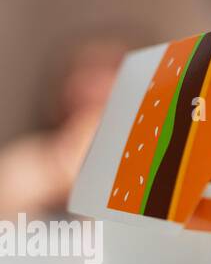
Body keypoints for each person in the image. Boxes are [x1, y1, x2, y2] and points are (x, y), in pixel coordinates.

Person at [0, 37, 128, 219]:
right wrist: (61, 172)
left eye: (115, 70)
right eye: (88, 72)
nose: (98, 86)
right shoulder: (25, 160)